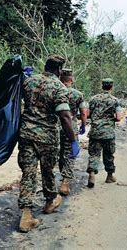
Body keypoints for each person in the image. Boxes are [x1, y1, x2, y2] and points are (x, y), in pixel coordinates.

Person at [17, 55, 79, 232]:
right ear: (59, 70)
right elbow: (65, 116)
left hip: (26, 134)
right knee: (47, 170)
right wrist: (73, 140)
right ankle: (50, 201)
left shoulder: (29, 81)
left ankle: (26, 214)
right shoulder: (59, 87)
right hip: (47, 137)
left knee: (28, 172)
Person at [86, 78, 122, 188]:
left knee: (94, 154)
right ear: (111, 87)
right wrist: (111, 120)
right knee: (109, 154)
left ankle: (92, 172)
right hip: (108, 133)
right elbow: (119, 117)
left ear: (102, 86)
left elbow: (87, 114)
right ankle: (109, 176)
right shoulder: (115, 100)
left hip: (95, 131)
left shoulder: (93, 99)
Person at [58, 69, 87, 196]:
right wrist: (84, 124)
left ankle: (62, 174)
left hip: (55, 125)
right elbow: (84, 112)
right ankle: (65, 181)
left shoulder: (56, 91)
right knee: (69, 152)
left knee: (59, 152)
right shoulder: (78, 94)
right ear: (71, 79)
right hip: (71, 125)